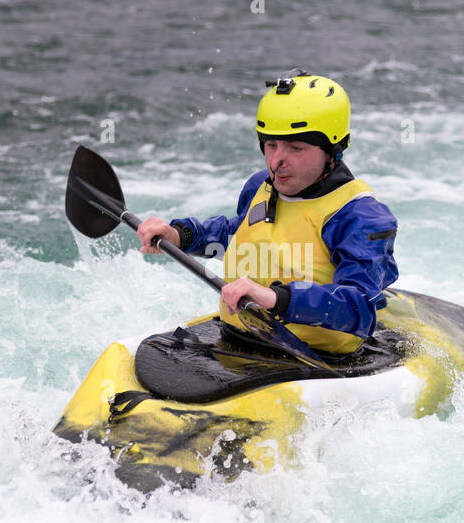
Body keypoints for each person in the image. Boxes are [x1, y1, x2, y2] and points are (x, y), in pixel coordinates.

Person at [135, 70, 398, 354]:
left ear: (332, 151)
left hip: (320, 357)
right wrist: (179, 236)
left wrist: (276, 299)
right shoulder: (261, 186)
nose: (276, 161)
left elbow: (359, 306)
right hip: (240, 338)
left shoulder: (359, 215)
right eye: (270, 145)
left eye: (295, 147)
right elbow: (236, 235)